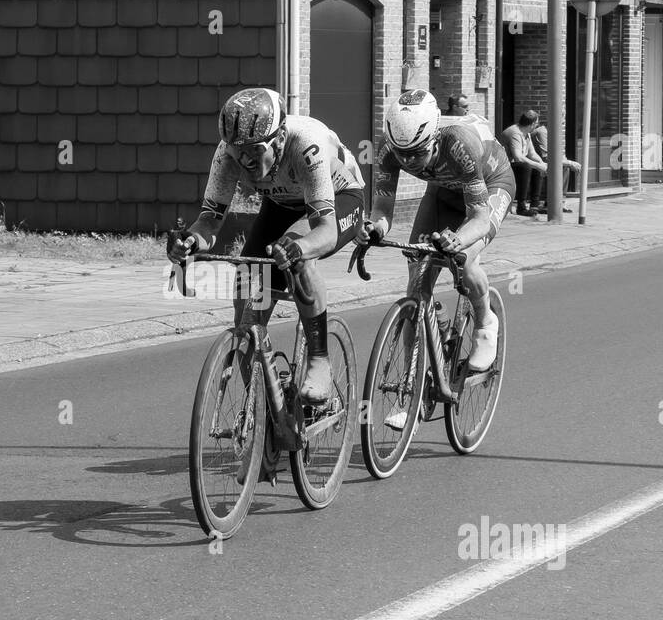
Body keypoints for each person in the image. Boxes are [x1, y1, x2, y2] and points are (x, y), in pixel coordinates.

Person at [167, 88, 365, 404]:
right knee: (246, 298)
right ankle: (263, 409)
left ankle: (319, 361)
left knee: (299, 258)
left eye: (255, 150)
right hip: (282, 204)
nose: (245, 160)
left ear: (281, 137)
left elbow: (325, 231)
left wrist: (300, 249)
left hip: (338, 200)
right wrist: (189, 243)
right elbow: (209, 221)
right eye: (237, 152)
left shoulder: (305, 143)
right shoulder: (227, 154)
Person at [356, 89, 514, 428]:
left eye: (417, 154)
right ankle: (413, 388)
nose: (410, 162)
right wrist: (374, 229)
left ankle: (486, 323)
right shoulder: (389, 151)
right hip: (442, 192)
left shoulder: (459, 144)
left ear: (434, 137)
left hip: (490, 187)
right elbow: (383, 210)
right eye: (404, 156)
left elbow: (479, 219)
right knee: (417, 280)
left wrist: (455, 239)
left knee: (463, 258)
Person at [497, 110, 548, 217]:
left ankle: (535, 205)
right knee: (526, 167)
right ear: (532, 124)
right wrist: (538, 165)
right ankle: (521, 206)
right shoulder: (515, 133)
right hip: (503, 167)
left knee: (535, 167)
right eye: (536, 123)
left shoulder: (526, 134)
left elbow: (532, 153)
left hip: (515, 165)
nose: (537, 125)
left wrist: (542, 163)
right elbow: (518, 157)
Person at [529, 123, 579, 213]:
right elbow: (547, 157)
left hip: (546, 162)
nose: (562, 124)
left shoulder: (554, 132)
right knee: (563, 166)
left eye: (563, 122)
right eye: (561, 121)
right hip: (538, 162)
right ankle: (550, 202)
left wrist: (568, 162)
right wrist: (570, 163)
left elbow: (560, 154)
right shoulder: (542, 132)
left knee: (565, 166)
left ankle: (559, 202)